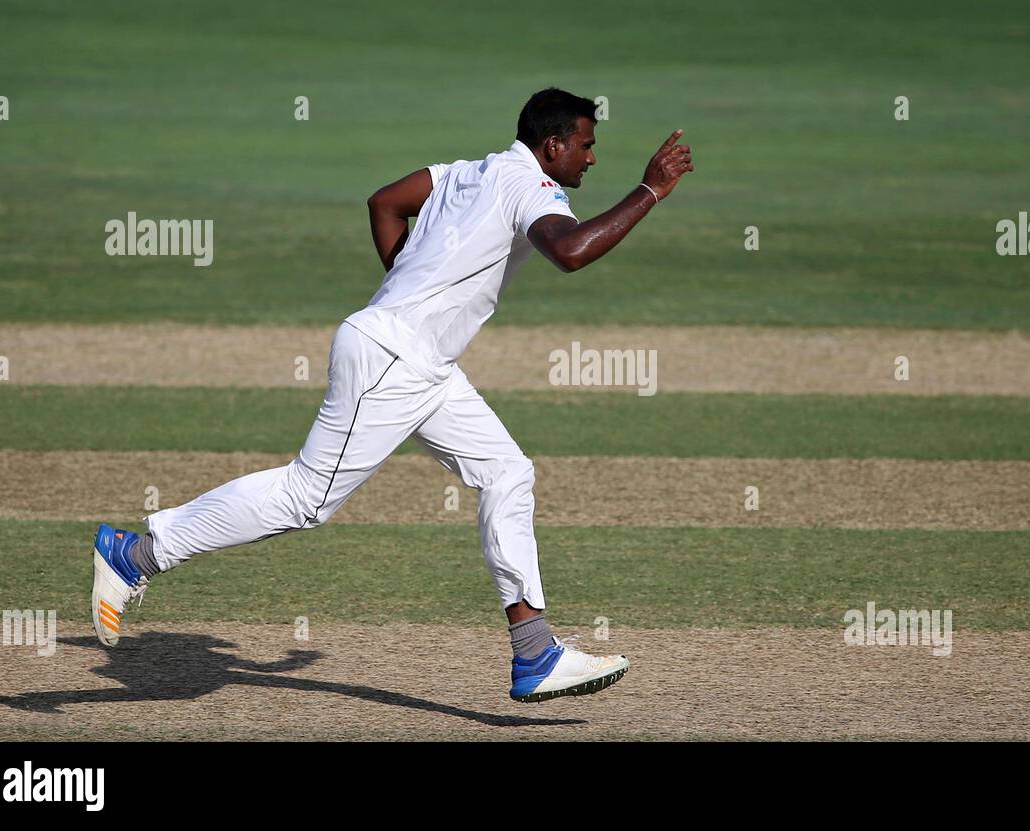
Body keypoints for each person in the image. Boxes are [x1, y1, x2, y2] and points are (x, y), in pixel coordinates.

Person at [90, 87, 694, 703]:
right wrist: (649, 191)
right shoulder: (530, 186)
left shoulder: (466, 173)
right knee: (306, 499)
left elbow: (384, 202)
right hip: (393, 358)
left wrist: (408, 287)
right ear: (554, 145)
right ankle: (137, 554)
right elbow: (570, 251)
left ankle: (535, 652)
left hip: (421, 363)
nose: (592, 159)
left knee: (508, 472)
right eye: (587, 146)